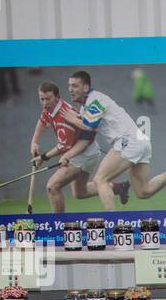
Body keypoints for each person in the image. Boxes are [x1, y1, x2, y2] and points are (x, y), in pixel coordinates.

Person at [61, 70, 166, 211]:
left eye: (75, 86)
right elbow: (86, 137)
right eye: (69, 86)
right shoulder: (85, 108)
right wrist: (68, 155)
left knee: (100, 180)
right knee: (143, 192)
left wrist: (72, 118)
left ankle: (112, 223)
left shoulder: (95, 99)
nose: (70, 90)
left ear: (85, 87)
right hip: (139, 142)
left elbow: (89, 126)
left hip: (129, 141)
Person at [28, 81, 129, 211]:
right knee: (80, 192)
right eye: (42, 99)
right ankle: (118, 187)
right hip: (88, 151)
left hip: (81, 153)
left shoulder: (64, 115)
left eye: (48, 99)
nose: (45, 102)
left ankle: (59, 225)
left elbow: (64, 146)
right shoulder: (50, 108)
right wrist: (34, 141)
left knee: (52, 187)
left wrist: (43, 157)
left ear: (57, 97)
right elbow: (42, 121)